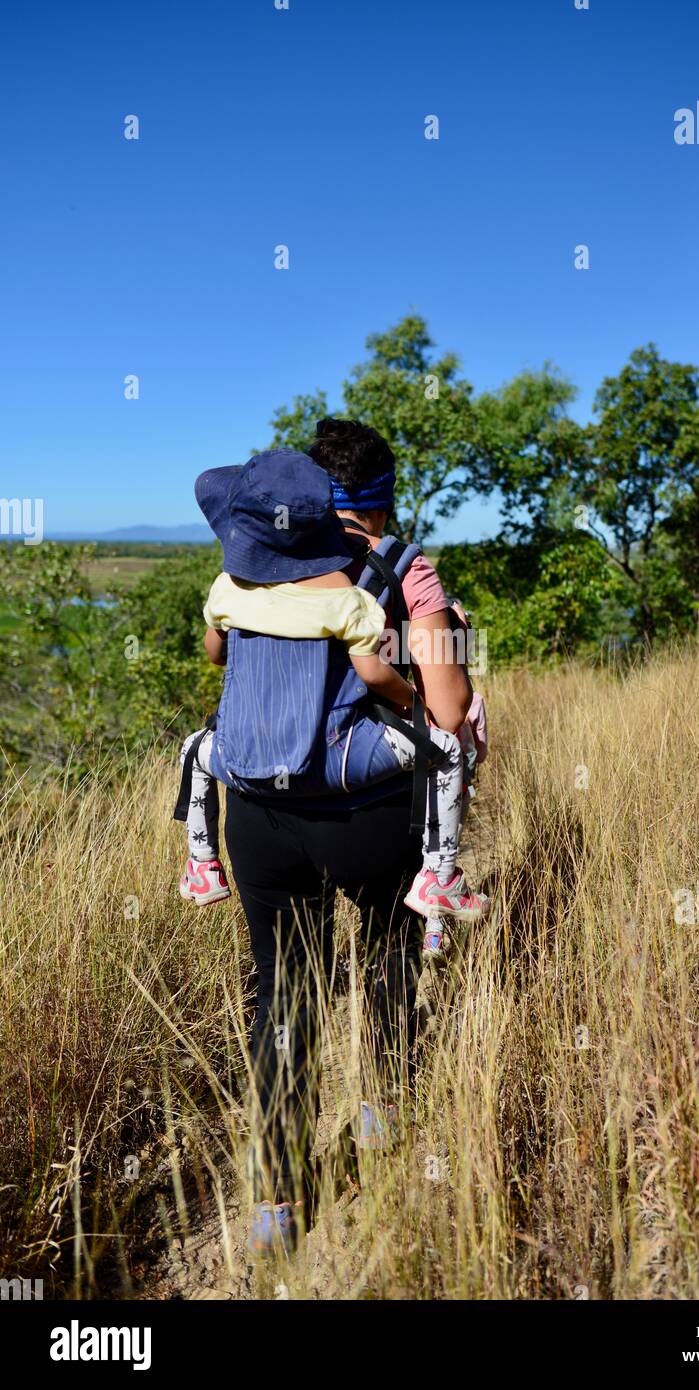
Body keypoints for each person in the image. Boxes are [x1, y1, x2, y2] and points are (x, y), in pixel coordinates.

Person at [180, 437, 479, 1253]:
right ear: (383, 496)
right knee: (387, 948)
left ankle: (275, 1201)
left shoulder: (253, 559)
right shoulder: (406, 569)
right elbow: (446, 710)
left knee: (282, 995)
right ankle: (382, 1116)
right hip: (366, 813)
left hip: (257, 815)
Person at [174, 452, 488, 923]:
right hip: (349, 778)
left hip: (250, 792)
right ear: (382, 506)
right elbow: (401, 687)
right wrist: (416, 701)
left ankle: (202, 863)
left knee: (284, 989)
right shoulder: (356, 596)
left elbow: (216, 653)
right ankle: (440, 876)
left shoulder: (228, 587)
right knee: (443, 750)